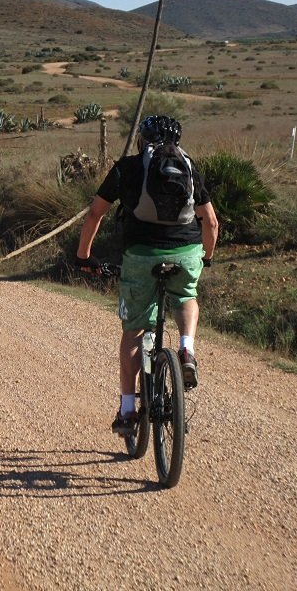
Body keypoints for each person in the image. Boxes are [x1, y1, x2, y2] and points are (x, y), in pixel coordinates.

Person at [74, 115, 219, 436]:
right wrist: (205, 258)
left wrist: (83, 255)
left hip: (140, 255)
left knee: (134, 332)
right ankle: (186, 348)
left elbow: (96, 212)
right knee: (186, 296)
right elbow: (210, 222)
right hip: (186, 251)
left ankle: (127, 411)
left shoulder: (126, 167)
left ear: (142, 139)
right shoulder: (188, 165)